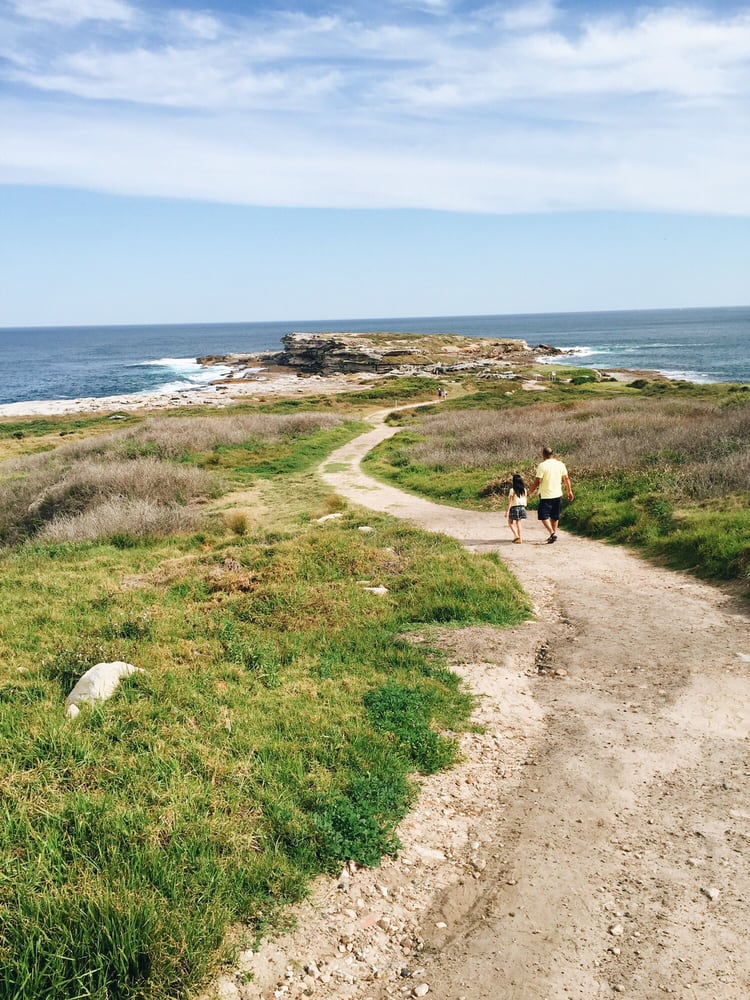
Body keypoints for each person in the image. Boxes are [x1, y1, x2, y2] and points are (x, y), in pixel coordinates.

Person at [528, 446, 574, 543]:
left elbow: (538, 481)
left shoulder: (542, 465)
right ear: (553, 454)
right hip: (558, 494)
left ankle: (552, 533)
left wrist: (529, 491)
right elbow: (566, 479)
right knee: (555, 516)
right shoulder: (560, 464)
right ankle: (553, 534)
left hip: (546, 495)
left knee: (543, 515)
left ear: (543, 454)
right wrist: (569, 491)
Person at [506, 473, 528, 544]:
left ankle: (516, 536)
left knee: (510, 522)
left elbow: (511, 501)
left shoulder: (512, 490)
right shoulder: (524, 490)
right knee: (519, 522)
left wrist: (507, 511)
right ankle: (520, 538)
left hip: (515, 508)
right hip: (522, 507)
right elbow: (526, 499)